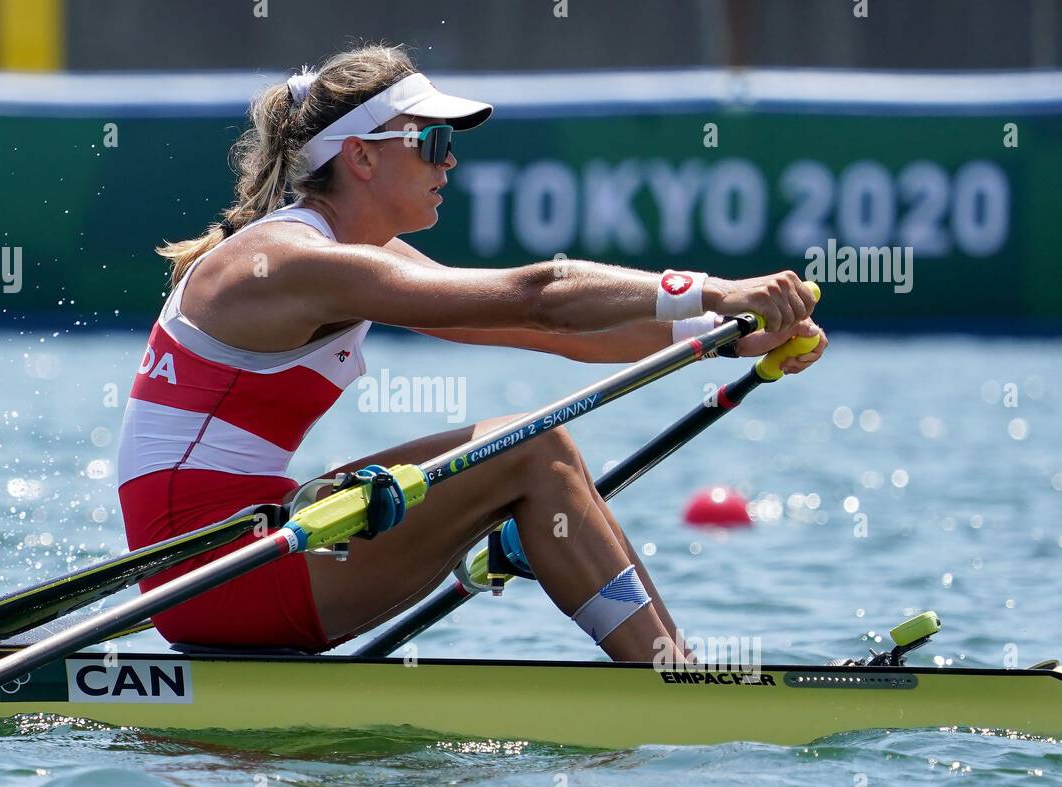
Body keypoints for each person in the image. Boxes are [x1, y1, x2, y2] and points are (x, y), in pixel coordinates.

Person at [117, 43, 826, 663]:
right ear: (360, 156)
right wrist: (716, 290)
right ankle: (676, 679)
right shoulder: (293, 258)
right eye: (428, 141)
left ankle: (663, 663)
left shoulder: (346, 252)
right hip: (211, 571)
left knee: (538, 450)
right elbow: (540, 294)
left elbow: (549, 331)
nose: (449, 158)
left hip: (241, 549)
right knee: (535, 450)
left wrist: (722, 343)